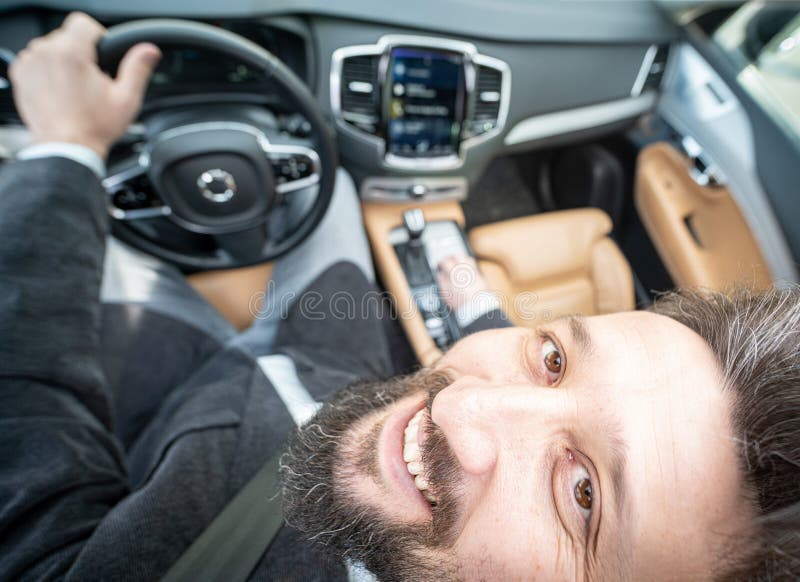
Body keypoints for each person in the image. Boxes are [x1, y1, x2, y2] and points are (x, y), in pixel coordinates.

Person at [1, 12, 798, 582]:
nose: (460, 408)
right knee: (338, 184)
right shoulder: (440, 423)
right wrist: (475, 301)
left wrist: (66, 151)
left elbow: (29, 421)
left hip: (186, 398)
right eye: (554, 356)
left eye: (583, 496)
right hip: (321, 366)